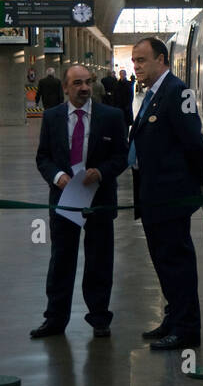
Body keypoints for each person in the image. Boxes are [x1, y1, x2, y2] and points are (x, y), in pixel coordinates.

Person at [30, 64, 129, 338]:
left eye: (88, 82)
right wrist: (58, 176)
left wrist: (102, 172)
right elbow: (43, 158)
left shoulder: (111, 116)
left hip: (99, 198)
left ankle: (99, 317)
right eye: (77, 83)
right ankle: (55, 319)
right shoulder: (51, 117)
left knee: (99, 259)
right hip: (65, 198)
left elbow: (122, 156)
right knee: (61, 259)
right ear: (65, 87)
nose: (84, 88)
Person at [130, 37, 203, 350]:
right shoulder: (153, 93)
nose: (136, 66)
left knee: (177, 263)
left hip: (171, 196)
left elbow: (194, 142)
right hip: (152, 196)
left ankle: (187, 328)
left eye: (142, 60)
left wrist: (195, 184)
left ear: (161, 60)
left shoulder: (178, 91)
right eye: (134, 61)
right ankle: (173, 318)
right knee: (163, 262)